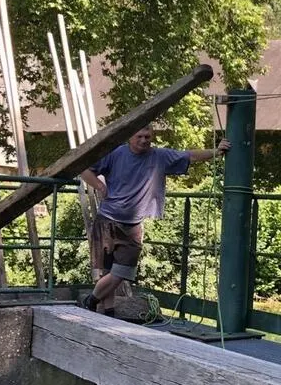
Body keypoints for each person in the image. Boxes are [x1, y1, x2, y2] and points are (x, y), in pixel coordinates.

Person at [79, 126, 231, 316]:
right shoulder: (115, 153)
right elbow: (84, 169)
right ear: (130, 137)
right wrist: (99, 185)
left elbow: (189, 155)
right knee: (107, 271)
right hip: (106, 220)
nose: (144, 140)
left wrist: (216, 152)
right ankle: (108, 311)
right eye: (139, 136)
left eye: (147, 136)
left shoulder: (159, 156)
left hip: (133, 225)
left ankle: (91, 299)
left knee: (122, 272)